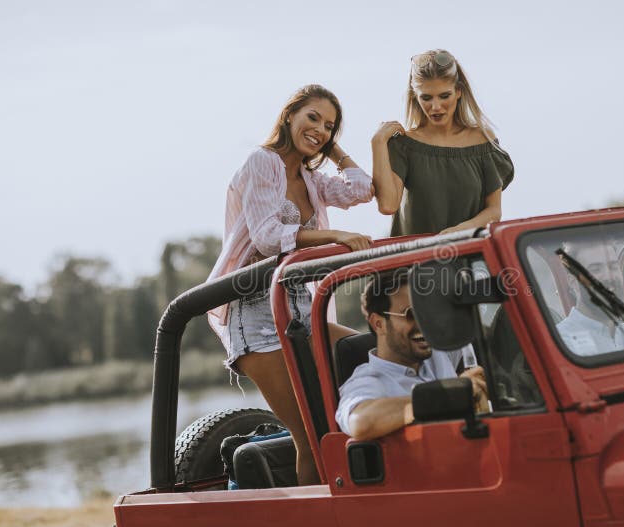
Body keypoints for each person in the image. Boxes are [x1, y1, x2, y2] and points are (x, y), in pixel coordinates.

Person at [207, 84, 385, 485]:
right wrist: (333, 236)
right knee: (311, 435)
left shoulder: (311, 177)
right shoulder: (261, 162)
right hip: (254, 313)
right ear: (289, 115)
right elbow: (268, 236)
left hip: (300, 308)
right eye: (312, 118)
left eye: (329, 125)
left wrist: (333, 147)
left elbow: (362, 189)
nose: (320, 130)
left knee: (371, 352)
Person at [370, 49, 515, 236]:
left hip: (469, 259)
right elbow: (388, 205)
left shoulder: (482, 141)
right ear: (415, 96)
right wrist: (378, 141)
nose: (436, 106)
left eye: (444, 96)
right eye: (426, 97)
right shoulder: (404, 145)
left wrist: (457, 232)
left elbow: (494, 211)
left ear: (458, 92)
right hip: (415, 261)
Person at [335, 270, 488, 440]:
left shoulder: (437, 352)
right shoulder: (367, 381)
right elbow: (360, 422)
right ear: (378, 324)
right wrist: (445, 397)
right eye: (412, 314)